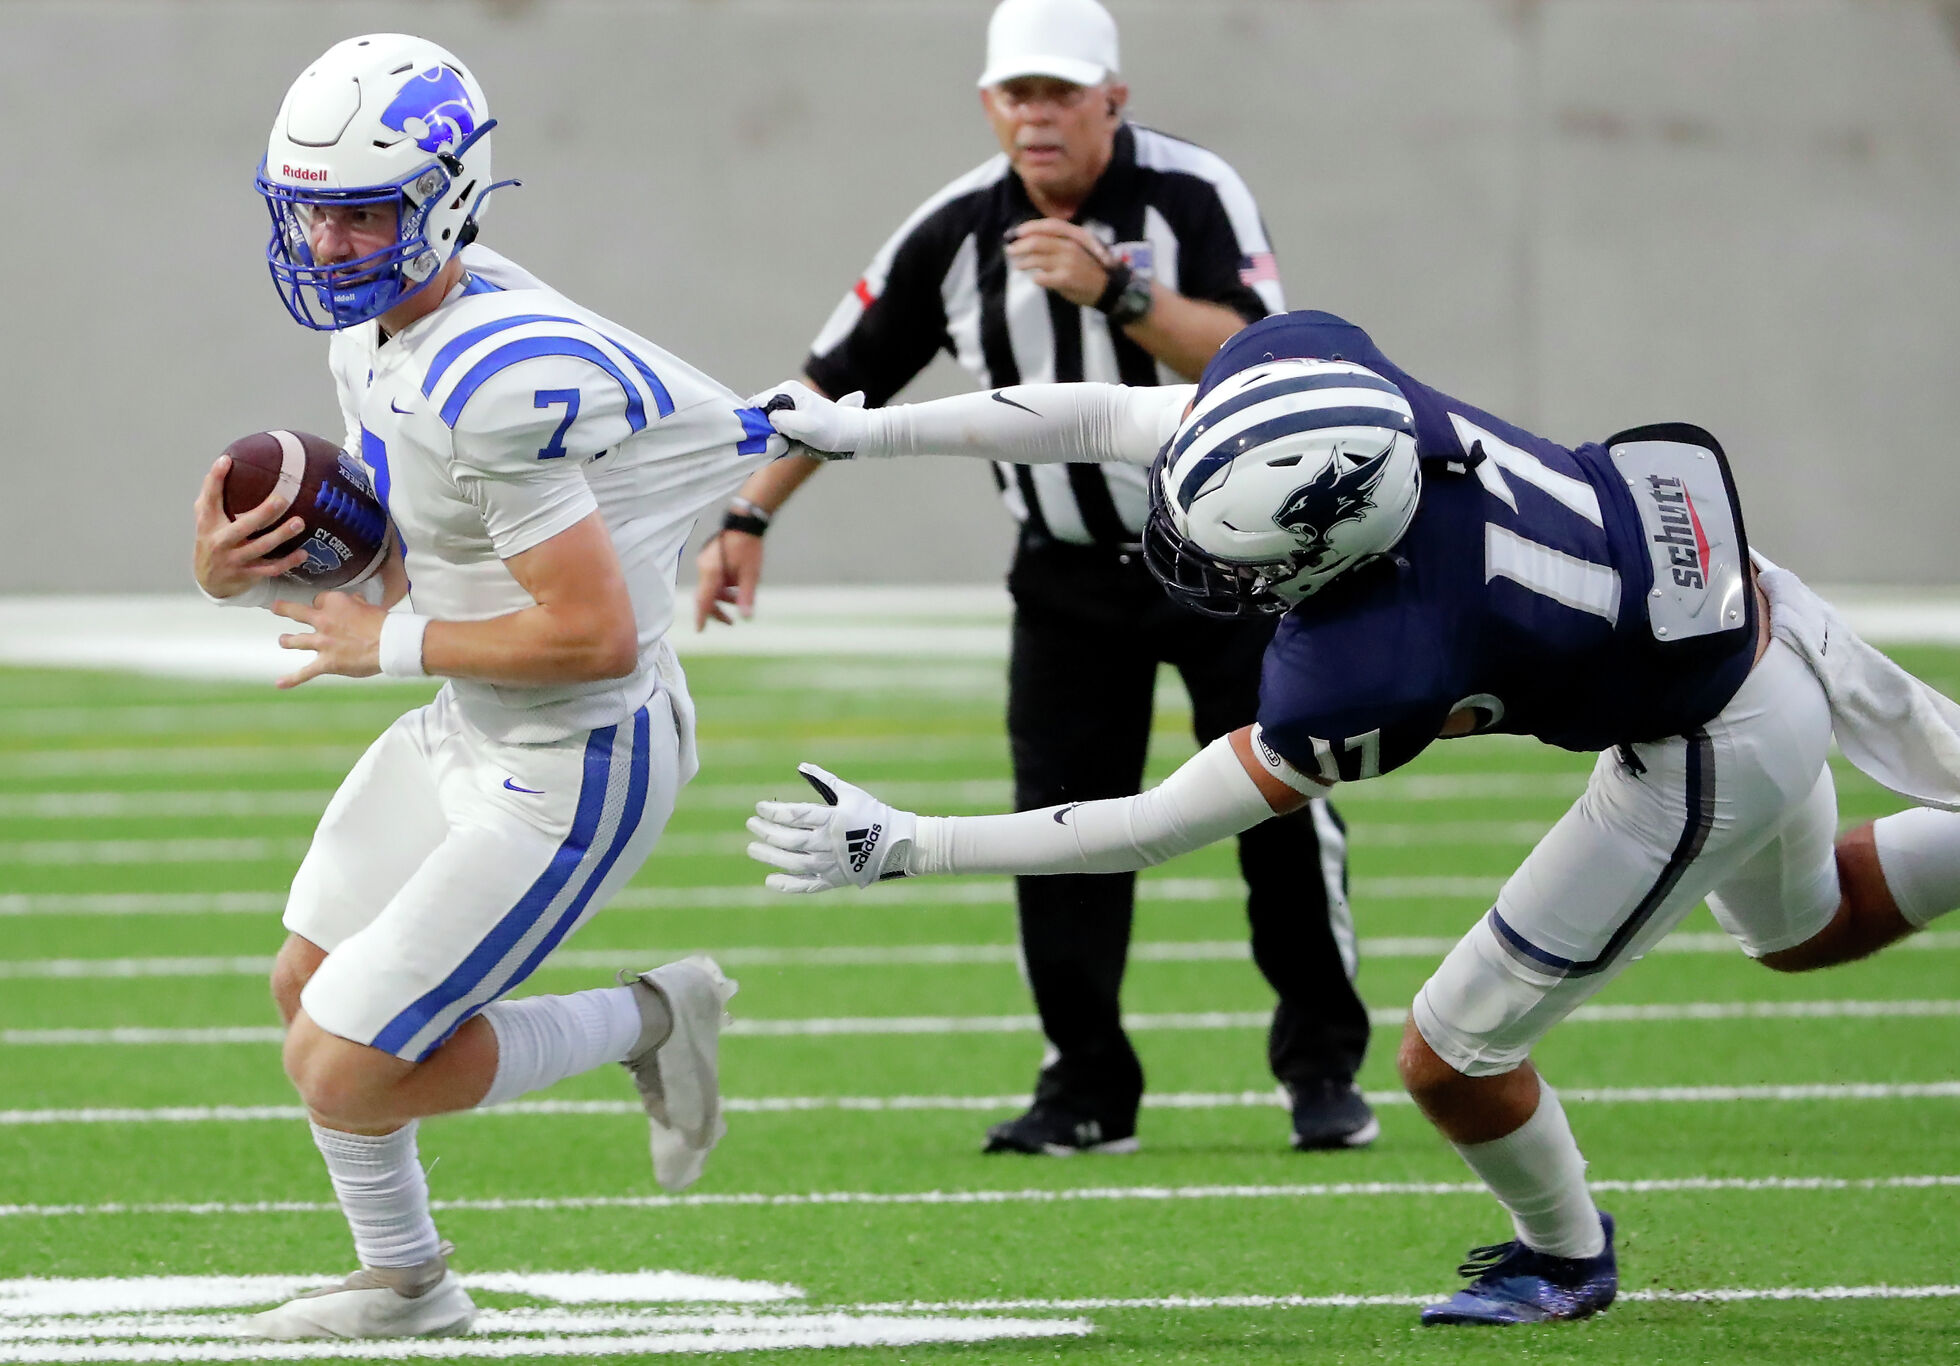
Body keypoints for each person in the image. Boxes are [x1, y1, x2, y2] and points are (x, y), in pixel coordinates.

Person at [742, 308, 1960, 1324]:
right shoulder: (1333, 401)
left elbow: (1158, 824)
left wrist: (911, 843)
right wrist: (862, 430)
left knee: (1450, 1053)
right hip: (1745, 602)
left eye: (1243, 566)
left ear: (1338, 552)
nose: (1207, 573)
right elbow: (1111, 415)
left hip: (1709, 733)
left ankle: (1563, 1255)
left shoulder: (1373, 657)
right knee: (1806, 930)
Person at [694, 0, 1378, 1158]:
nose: (1036, 116)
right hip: (1066, 576)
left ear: (1112, 98)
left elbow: (1277, 364)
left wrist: (1118, 294)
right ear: (987, 104)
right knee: (1054, 821)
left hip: (1231, 565)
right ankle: (1086, 1082)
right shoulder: (956, 227)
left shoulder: (1193, 195)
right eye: (1017, 94)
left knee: (1279, 806)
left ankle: (1320, 1066)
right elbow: (835, 383)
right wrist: (747, 513)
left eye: (1060, 94)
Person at [193, 34, 784, 1340]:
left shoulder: (494, 378)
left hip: (579, 755)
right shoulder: (385, 332)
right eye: (312, 212)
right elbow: (404, 550)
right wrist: (242, 566)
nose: (332, 244)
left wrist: (384, 647)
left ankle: (651, 1014)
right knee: (308, 986)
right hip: (476, 718)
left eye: (362, 212)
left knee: (344, 1064)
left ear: (450, 196)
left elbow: (596, 637)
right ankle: (410, 1281)